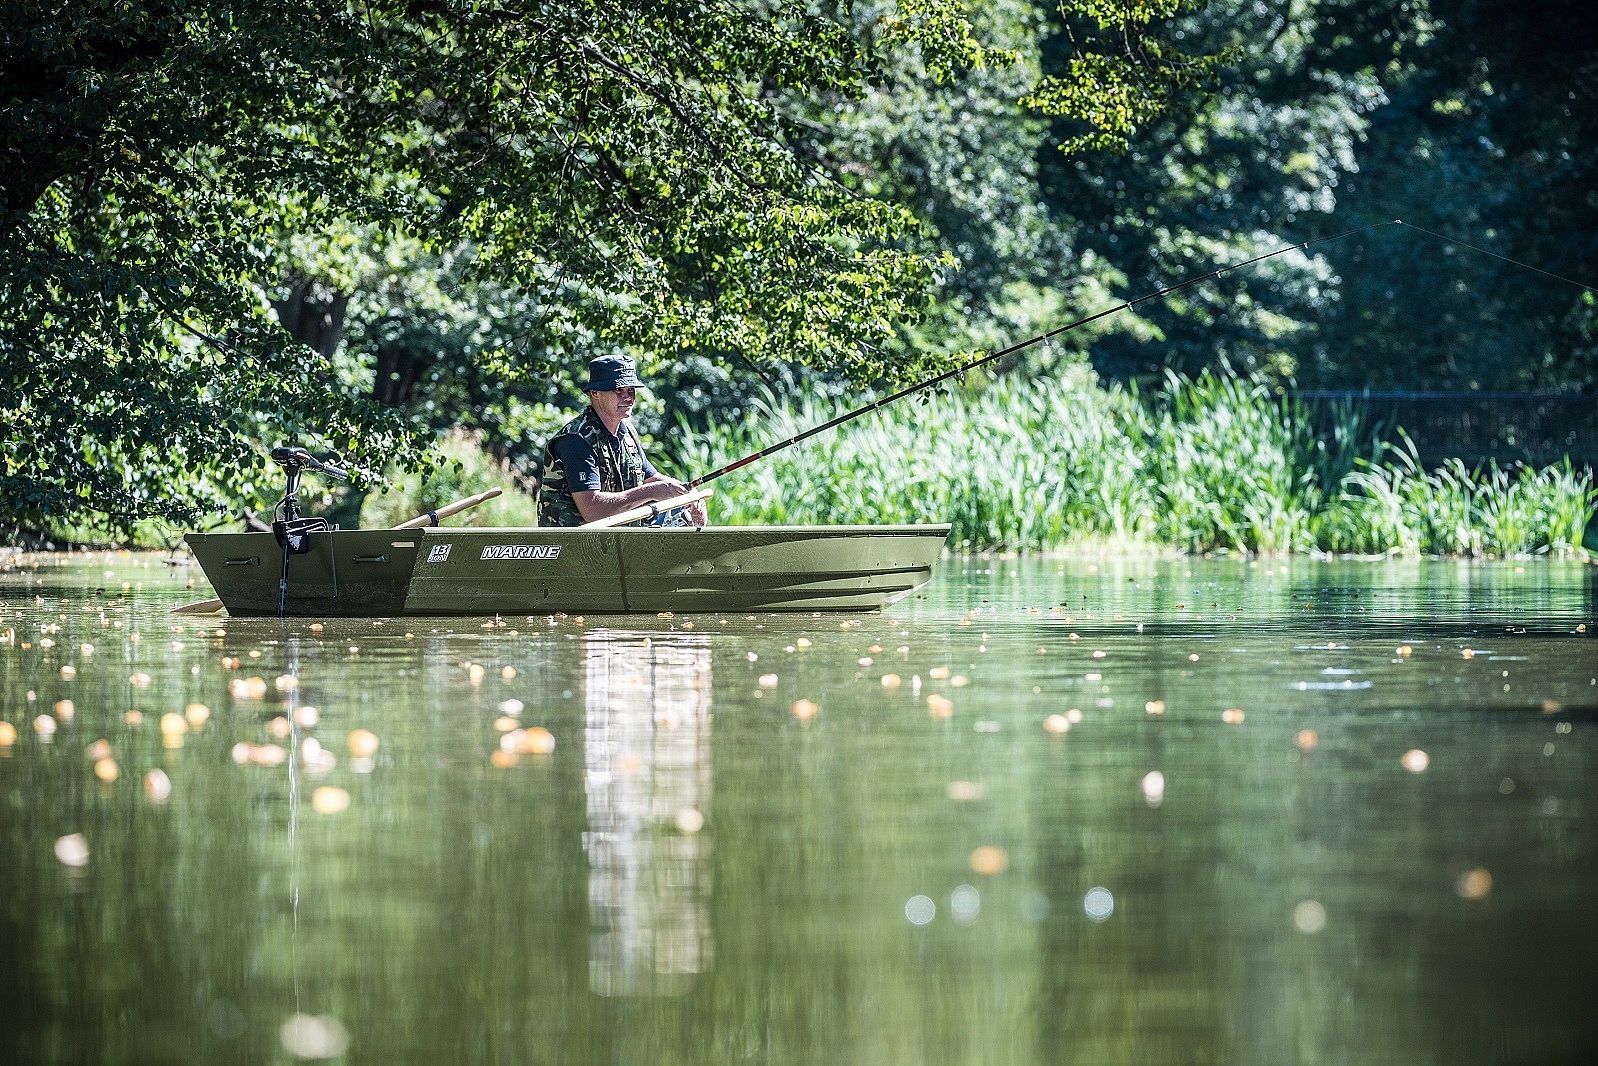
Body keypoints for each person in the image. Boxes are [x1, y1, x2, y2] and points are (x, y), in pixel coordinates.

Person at [538, 355, 708, 528]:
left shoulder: (627, 431)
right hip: (573, 547)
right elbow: (591, 509)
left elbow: (651, 478)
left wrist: (688, 494)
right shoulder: (576, 440)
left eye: (631, 390)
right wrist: (653, 492)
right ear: (595, 393)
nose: (628, 398)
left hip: (617, 543)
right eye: (618, 390)